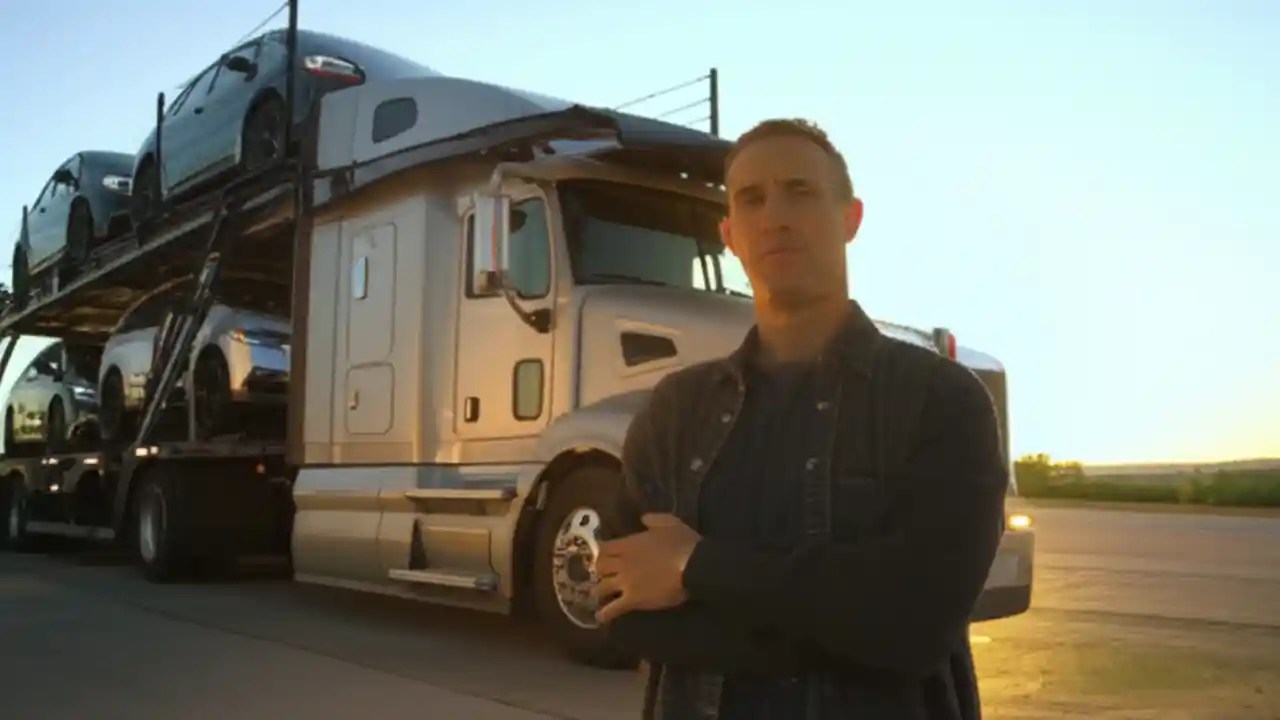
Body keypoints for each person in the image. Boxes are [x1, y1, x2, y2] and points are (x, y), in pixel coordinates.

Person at [592, 118, 1009, 719]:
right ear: (729, 235)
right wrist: (839, 623)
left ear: (851, 219)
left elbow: (918, 622)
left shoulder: (940, 399)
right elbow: (622, 613)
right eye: (751, 199)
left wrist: (694, 566)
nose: (775, 217)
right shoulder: (677, 410)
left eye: (800, 191)